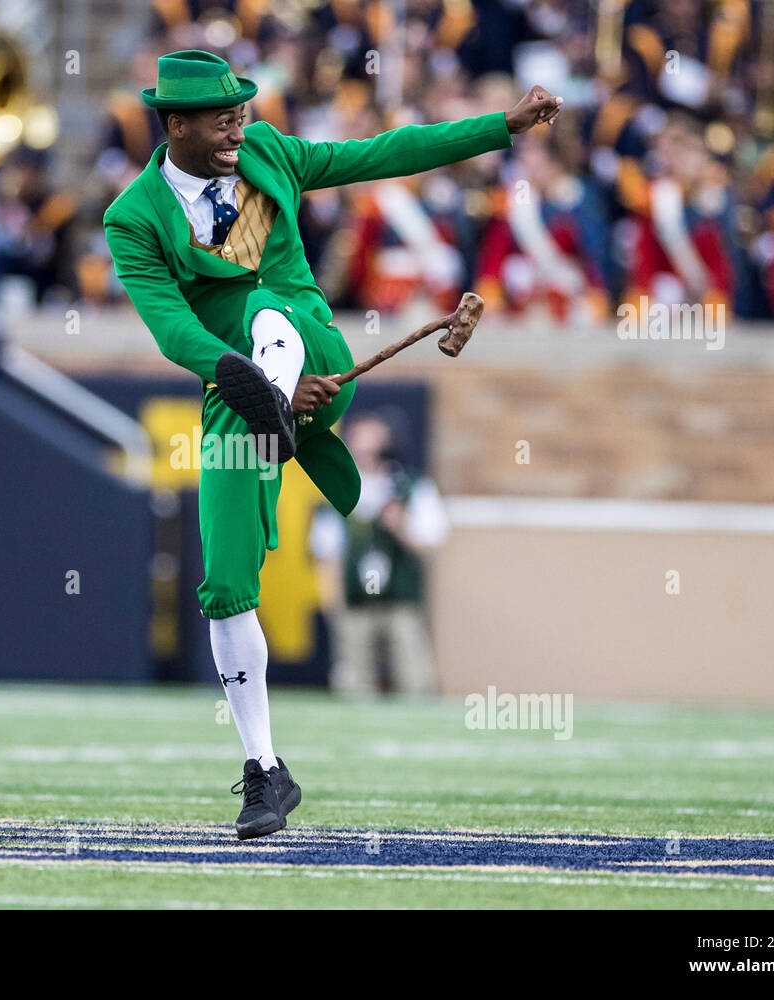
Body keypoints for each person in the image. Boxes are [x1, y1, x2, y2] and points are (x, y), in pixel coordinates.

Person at [103, 49, 561, 840]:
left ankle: (280, 402)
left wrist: (501, 127)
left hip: (310, 345)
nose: (237, 128)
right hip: (234, 396)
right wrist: (242, 384)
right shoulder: (134, 216)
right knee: (224, 582)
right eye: (222, 119)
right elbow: (170, 325)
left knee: (265, 314)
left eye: (242, 112)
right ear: (174, 125)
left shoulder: (269, 151)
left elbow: (385, 152)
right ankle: (266, 771)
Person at [309, 412, 449, 697]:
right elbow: (327, 554)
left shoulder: (411, 486)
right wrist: (334, 604)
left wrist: (400, 527)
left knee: (413, 679)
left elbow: (431, 543)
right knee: (356, 682)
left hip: (400, 600)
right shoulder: (338, 489)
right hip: (355, 600)